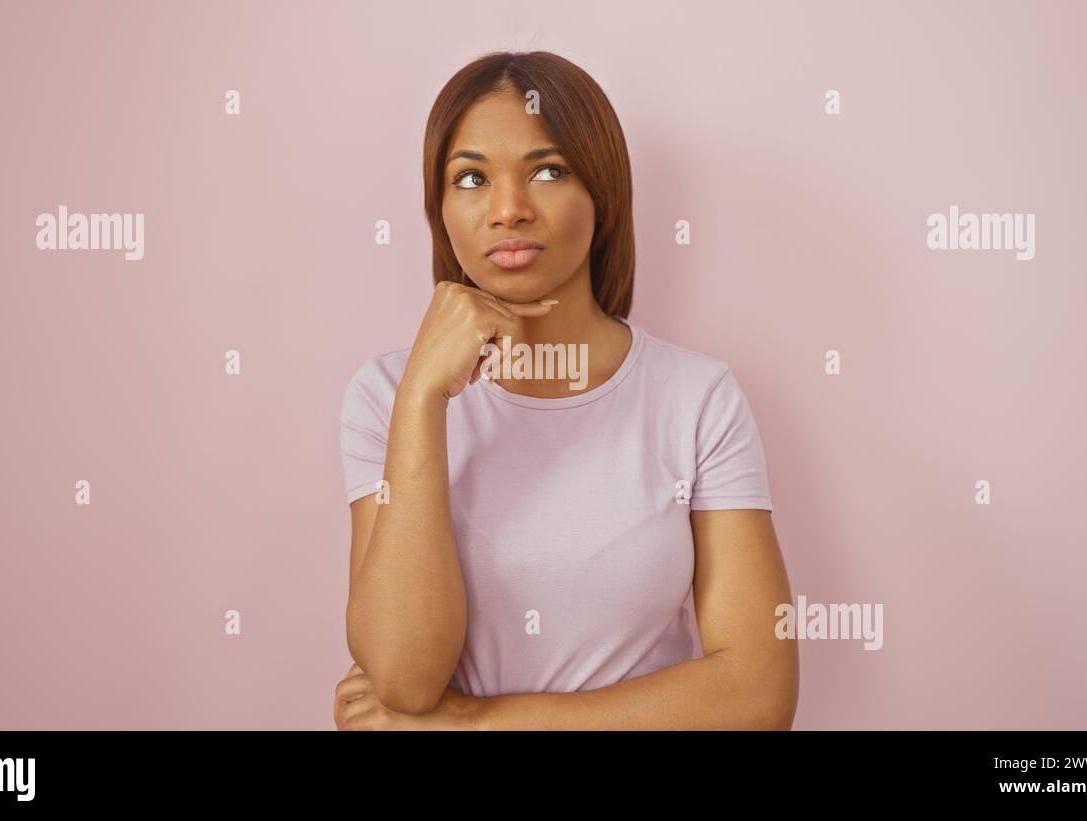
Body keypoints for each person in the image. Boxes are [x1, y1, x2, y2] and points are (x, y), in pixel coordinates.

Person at [334, 50, 797, 730]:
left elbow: (758, 694)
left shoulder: (698, 398)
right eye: (471, 178)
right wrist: (423, 397)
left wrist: (471, 725)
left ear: (601, 193)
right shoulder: (385, 397)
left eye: (548, 171)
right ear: (439, 208)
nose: (509, 210)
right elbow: (404, 677)